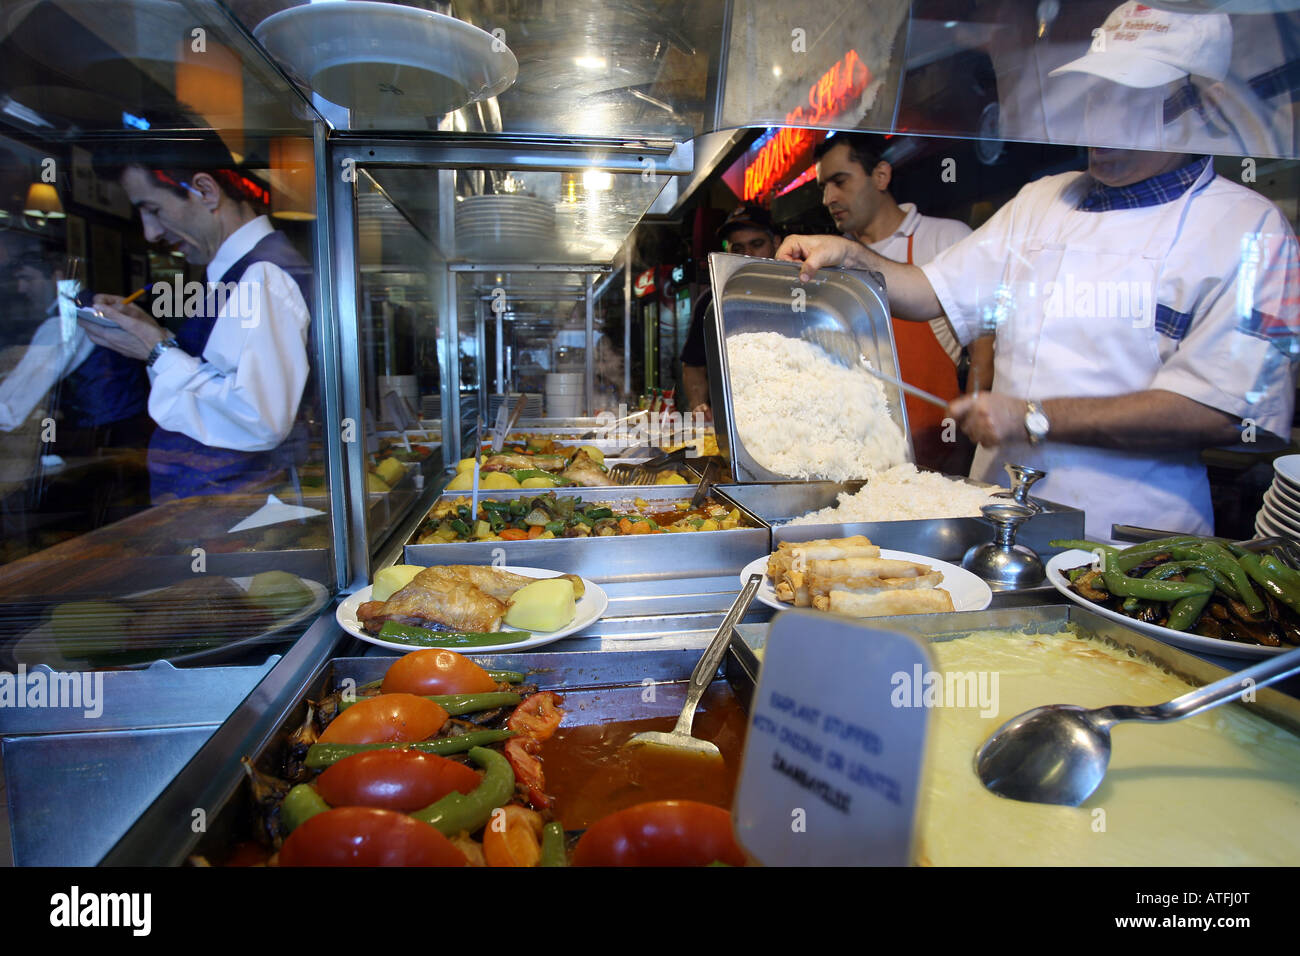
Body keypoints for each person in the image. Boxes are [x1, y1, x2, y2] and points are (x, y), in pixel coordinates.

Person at [776, 5, 1300, 540]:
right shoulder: (1043, 200)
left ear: (1201, 106)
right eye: (1095, 94)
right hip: (996, 517)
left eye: (1130, 100)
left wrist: (1033, 417)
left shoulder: (1249, 229)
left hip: (1131, 536)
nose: (1099, 122)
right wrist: (851, 256)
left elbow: (1223, 412)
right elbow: (929, 291)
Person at [85, 133, 313, 501]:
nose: (150, 233)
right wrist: (151, 334)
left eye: (153, 210)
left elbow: (261, 420)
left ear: (206, 190)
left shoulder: (263, 276)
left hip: (235, 510)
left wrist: (157, 349)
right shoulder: (239, 274)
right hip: (217, 507)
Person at [812, 132, 990, 472]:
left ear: (881, 175)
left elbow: (983, 352)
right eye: (823, 187)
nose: (828, 198)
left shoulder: (946, 238)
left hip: (937, 450)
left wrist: (970, 440)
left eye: (839, 182)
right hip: (857, 457)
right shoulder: (830, 260)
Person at [0, 250, 151, 452]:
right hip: (127, 423)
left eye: (28, 279)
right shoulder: (87, 307)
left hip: (105, 434)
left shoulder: (66, 320)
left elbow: (21, 395)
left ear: (57, 276)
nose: (21, 288)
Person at [679, 204, 779, 417]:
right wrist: (699, 405)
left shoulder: (799, 294)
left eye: (757, 244)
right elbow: (694, 365)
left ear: (776, 243)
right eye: (738, 249)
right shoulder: (712, 302)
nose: (747, 254)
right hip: (733, 420)